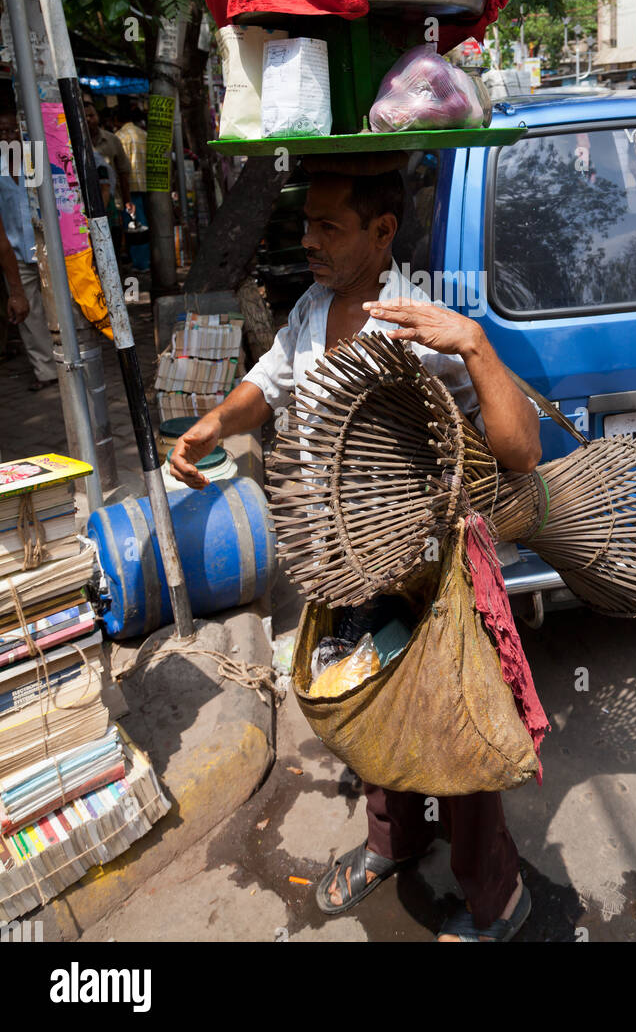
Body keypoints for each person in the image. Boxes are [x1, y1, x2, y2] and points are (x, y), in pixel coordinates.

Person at [169, 163, 541, 942]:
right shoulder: (312, 307)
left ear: (382, 233)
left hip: (429, 570)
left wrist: (474, 344)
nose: (307, 240)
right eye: (305, 225)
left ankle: (499, 898)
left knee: (453, 730)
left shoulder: (422, 324)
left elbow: (521, 448)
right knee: (368, 698)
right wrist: (213, 424)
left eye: (328, 227)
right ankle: (393, 841)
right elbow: (268, 387)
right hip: (343, 558)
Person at [0, 105, 58, 391]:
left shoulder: (34, 160)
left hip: (46, 245)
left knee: (57, 305)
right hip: (15, 252)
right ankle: (45, 370)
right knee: (27, 310)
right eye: (2, 132)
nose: (8, 137)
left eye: (12, 130)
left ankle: (67, 359)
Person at [83, 96, 134, 256]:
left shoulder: (112, 140)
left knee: (113, 247)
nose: (88, 119)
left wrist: (127, 200)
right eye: (84, 116)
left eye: (91, 115)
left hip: (113, 205)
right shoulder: (73, 142)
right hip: (86, 208)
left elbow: (123, 172)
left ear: (97, 117)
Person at [114, 99, 150, 271]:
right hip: (147, 186)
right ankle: (146, 260)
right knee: (145, 223)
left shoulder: (119, 137)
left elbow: (122, 170)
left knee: (136, 226)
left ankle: (141, 262)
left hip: (130, 188)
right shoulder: (143, 134)